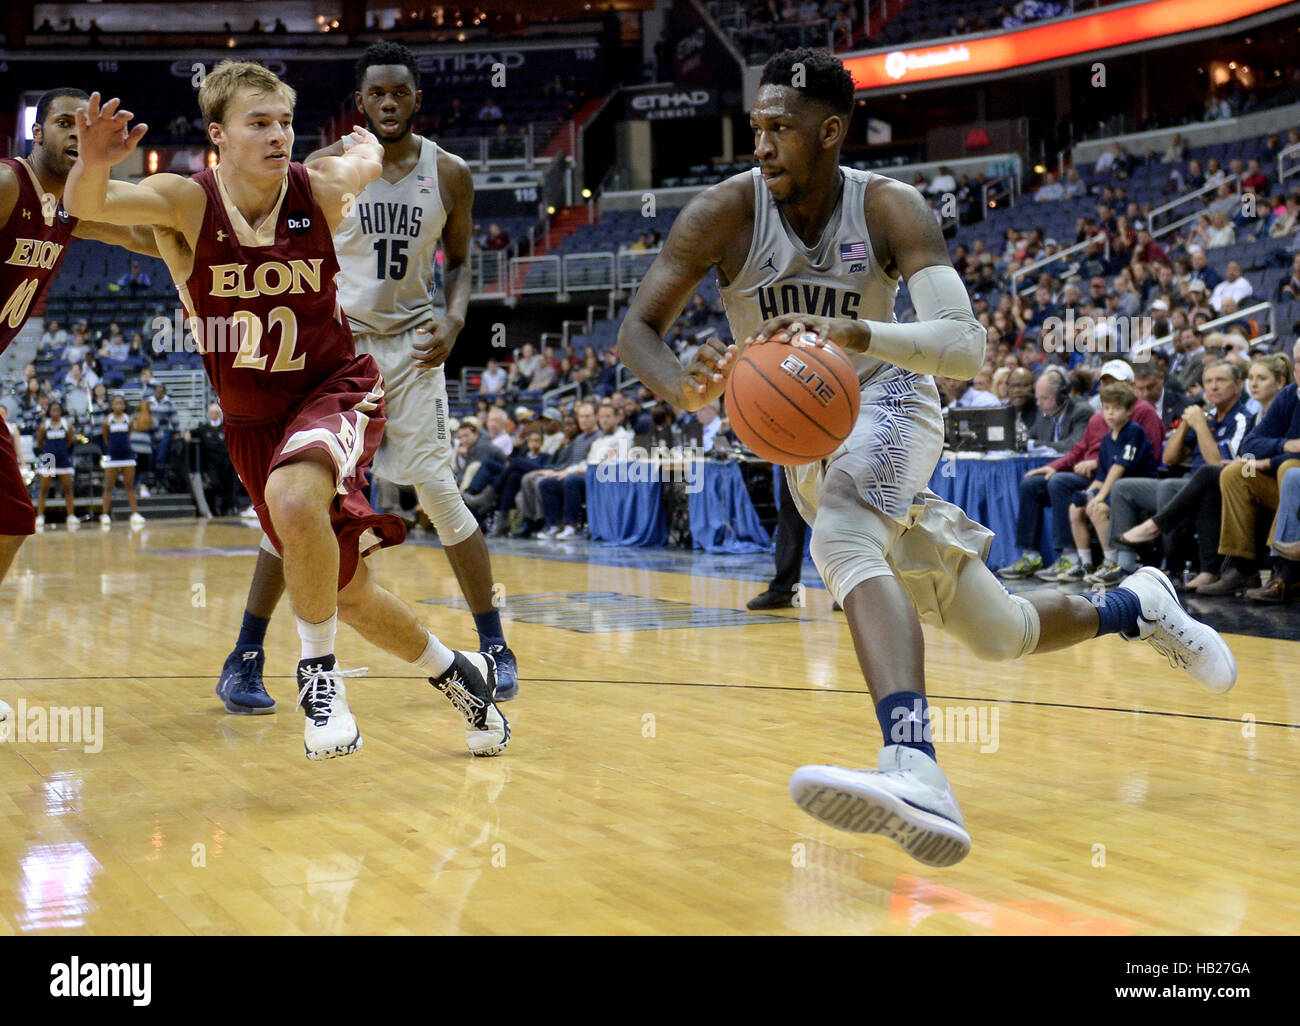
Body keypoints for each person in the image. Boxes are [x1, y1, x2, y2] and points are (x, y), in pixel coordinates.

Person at [616, 48, 1235, 868]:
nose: (761, 143)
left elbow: (964, 348)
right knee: (1000, 631)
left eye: (781, 128)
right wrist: (682, 385)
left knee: (841, 536)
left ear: (831, 131)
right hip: (809, 445)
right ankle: (1139, 605)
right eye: (757, 127)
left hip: (892, 399)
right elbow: (638, 333)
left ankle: (914, 766)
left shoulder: (890, 208)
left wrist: (862, 333)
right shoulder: (723, 212)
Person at [65, 65, 509, 760]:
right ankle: (461, 674)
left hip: (334, 389)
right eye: (259, 123)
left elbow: (363, 163)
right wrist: (93, 163)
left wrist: (362, 147)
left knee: (293, 502)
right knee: (351, 593)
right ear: (218, 136)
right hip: (251, 424)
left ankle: (317, 679)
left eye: (284, 122)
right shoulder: (186, 202)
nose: (278, 136)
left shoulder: (316, 189)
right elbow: (89, 203)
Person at [207, 44, 521, 715]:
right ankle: (248, 654)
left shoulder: (451, 172)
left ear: (415, 99)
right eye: (375, 93)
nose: (387, 103)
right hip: (335, 350)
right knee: (294, 501)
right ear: (361, 101)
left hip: (411, 348)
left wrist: (457, 315)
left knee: (437, 487)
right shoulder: (325, 171)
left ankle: (493, 645)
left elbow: (462, 262)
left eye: (399, 93)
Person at [0, 87, 160, 729]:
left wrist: (219, 226)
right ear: (38, 132)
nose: (74, 133)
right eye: (64, 122)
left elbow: (145, 236)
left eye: (84, 127)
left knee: (14, 518)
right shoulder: (9, 182)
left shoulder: (67, 210)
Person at [100, 392, 146, 528]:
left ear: (124, 405)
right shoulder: (107, 420)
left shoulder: (129, 419)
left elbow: (129, 434)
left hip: (127, 456)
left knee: (129, 486)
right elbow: (105, 438)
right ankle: (105, 514)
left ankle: (134, 513)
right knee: (108, 486)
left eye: (121, 403)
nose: (119, 405)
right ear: (112, 406)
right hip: (112, 457)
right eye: (116, 403)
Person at [34, 400, 78, 530]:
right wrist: (49, 452)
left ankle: (71, 516)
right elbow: (40, 443)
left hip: (63, 458)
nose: (55, 412)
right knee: (43, 489)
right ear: (49, 412)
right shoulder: (44, 425)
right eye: (53, 410)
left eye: (57, 410)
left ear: (61, 411)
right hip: (49, 458)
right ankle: (40, 516)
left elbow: (70, 441)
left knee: (67, 489)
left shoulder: (67, 425)